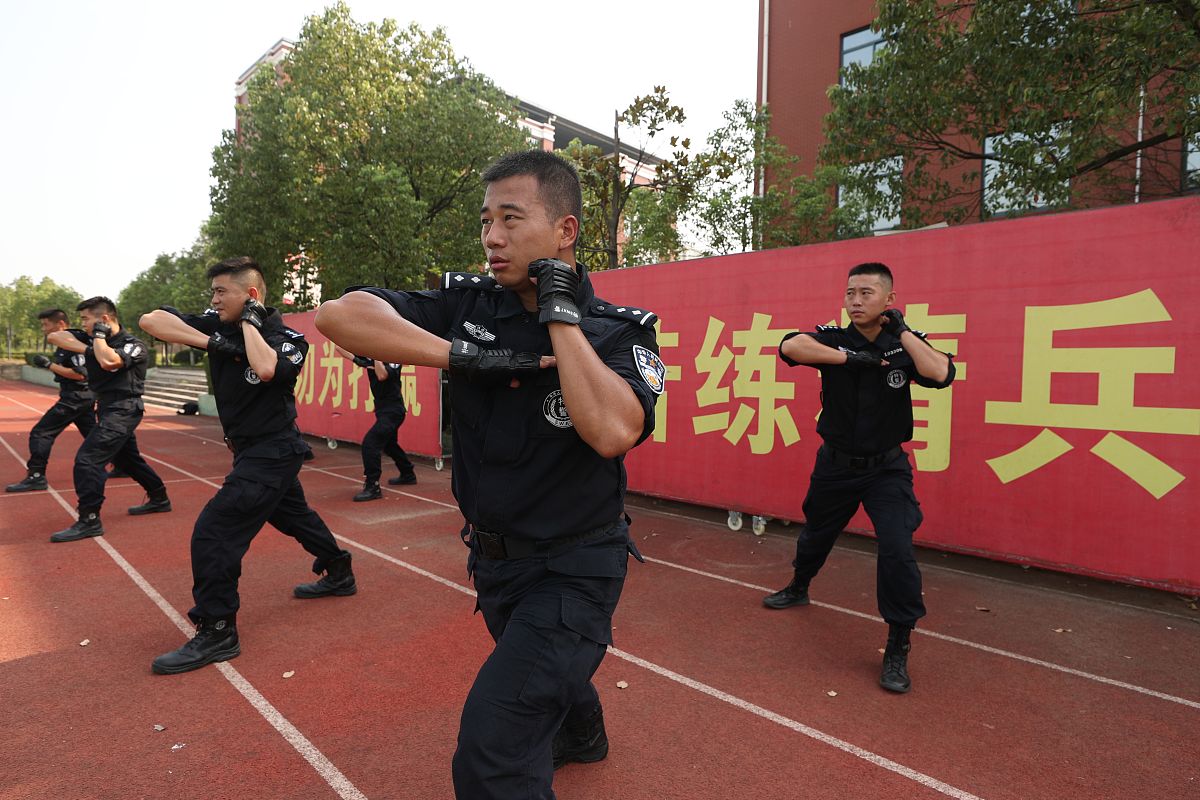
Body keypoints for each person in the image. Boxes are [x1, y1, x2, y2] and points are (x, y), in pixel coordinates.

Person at [315, 150, 663, 799]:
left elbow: (613, 431)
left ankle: (558, 726)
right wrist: (461, 354)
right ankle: (583, 731)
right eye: (485, 221)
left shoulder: (620, 333)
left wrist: (560, 319)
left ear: (564, 231)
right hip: (495, 561)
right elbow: (340, 315)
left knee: (493, 751)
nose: (492, 238)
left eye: (510, 218)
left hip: (577, 569)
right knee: (542, 673)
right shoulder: (468, 308)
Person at [139, 257, 357, 675]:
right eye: (213, 292)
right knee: (294, 516)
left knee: (215, 531)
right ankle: (339, 568)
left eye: (222, 292)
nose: (214, 300)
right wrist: (216, 343)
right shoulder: (215, 325)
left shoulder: (288, 337)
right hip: (251, 450)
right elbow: (152, 320)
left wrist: (249, 327)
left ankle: (218, 629)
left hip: (273, 450)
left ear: (251, 295)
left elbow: (266, 366)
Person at [763, 262, 955, 694]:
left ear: (889, 300)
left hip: (886, 469)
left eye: (866, 293)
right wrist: (849, 358)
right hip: (836, 465)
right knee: (815, 533)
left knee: (897, 547)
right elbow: (790, 347)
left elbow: (941, 373)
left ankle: (898, 643)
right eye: (850, 293)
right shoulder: (834, 338)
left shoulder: (903, 344)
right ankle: (799, 585)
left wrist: (903, 334)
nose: (855, 300)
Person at [45, 297, 171, 542]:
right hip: (104, 406)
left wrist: (98, 342)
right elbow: (55, 337)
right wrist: (91, 347)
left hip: (124, 408)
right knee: (128, 460)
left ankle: (89, 520)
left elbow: (110, 361)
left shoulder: (134, 345)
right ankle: (159, 497)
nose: (82, 325)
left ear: (104, 319)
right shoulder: (91, 340)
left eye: (85, 319)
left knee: (88, 460)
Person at [6, 309, 96, 493]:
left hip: (75, 397)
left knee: (41, 433)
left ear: (60, 324)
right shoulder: (68, 341)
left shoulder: (70, 341)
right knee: (96, 436)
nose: (43, 329)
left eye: (46, 324)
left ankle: (36, 476)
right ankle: (124, 464)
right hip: (81, 397)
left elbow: (80, 375)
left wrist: (48, 365)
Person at [331, 344, 417, 501]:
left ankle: (373, 486)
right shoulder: (370, 357)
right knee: (389, 444)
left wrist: (375, 355)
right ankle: (408, 473)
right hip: (383, 410)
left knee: (370, 444)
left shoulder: (392, 359)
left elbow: (382, 375)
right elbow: (342, 349)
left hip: (393, 411)